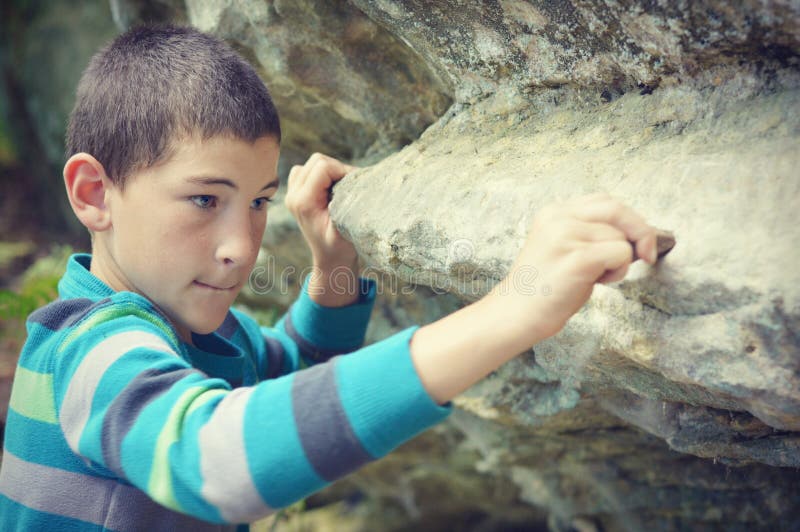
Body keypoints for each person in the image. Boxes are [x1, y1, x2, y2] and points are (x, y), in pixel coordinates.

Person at [0, 25, 658, 531]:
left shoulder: (187, 329)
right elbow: (214, 460)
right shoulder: (90, 348)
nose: (242, 247)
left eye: (259, 202)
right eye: (204, 200)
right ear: (94, 193)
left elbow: (293, 369)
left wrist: (335, 262)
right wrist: (510, 313)